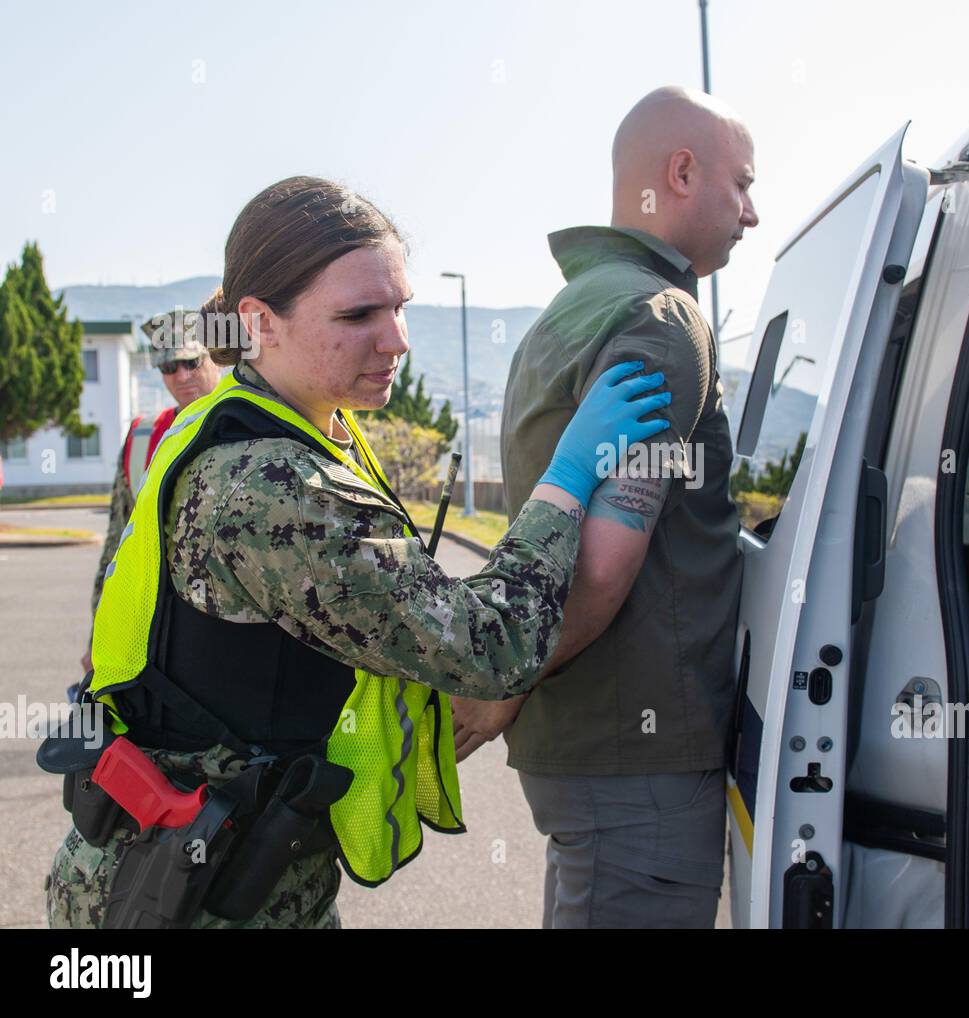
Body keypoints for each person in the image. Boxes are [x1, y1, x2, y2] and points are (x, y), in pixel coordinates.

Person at [43, 175, 672, 929]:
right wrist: (566, 481)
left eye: (399, 305)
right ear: (259, 322)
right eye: (358, 314)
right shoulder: (268, 485)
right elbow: (493, 645)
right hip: (184, 897)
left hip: (224, 871)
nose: (398, 338)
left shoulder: (281, 425)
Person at [456, 85, 758, 928]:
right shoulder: (661, 319)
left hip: (597, 746)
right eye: (743, 184)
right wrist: (501, 682)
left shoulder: (573, 307)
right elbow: (602, 560)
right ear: (684, 173)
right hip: (639, 755)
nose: (752, 212)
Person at [80, 313, 222, 679]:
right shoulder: (143, 437)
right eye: (168, 366)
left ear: (216, 357)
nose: (182, 376)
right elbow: (117, 544)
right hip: (150, 636)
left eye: (192, 361)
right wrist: (99, 634)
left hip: (226, 639)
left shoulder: (251, 428)